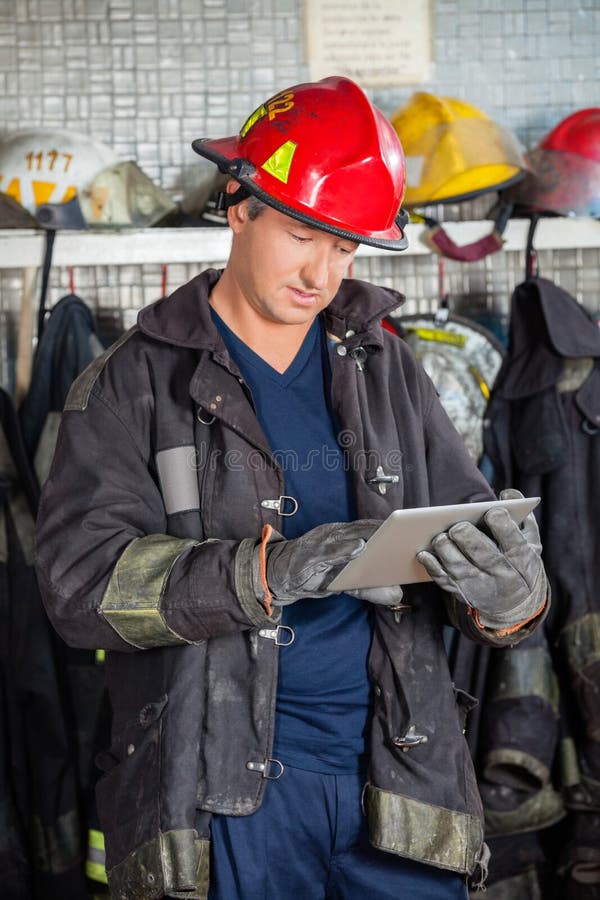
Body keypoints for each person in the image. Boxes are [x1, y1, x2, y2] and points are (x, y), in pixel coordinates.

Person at [34, 76, 549, 900]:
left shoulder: (387, 369)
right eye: (303, 234)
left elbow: (469, 534)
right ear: (240, 207)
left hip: (401, 785)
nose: (321, 271)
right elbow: (78, 589)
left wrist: (509, 601)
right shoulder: (134, 385)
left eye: (344, 248)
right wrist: (268, 573)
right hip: (225, 802)